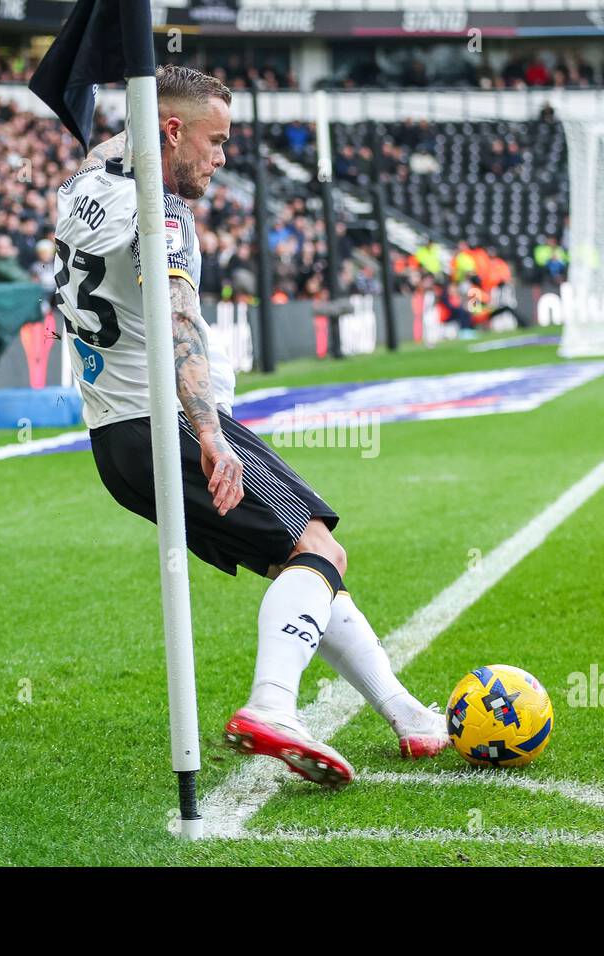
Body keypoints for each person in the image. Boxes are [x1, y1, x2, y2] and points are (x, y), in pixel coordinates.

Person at [54, 65, 447, 790]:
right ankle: (272, 706)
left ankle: (407, 714)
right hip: (168, 422)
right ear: (171, 131)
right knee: (321, 550)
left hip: (115, 441)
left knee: (298, 567)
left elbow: (113, 149)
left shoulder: (82, 188)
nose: (223, 157)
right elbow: (177, 323)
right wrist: (207, 432)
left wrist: (138, 123)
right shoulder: (158, 211)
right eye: (217, 140)